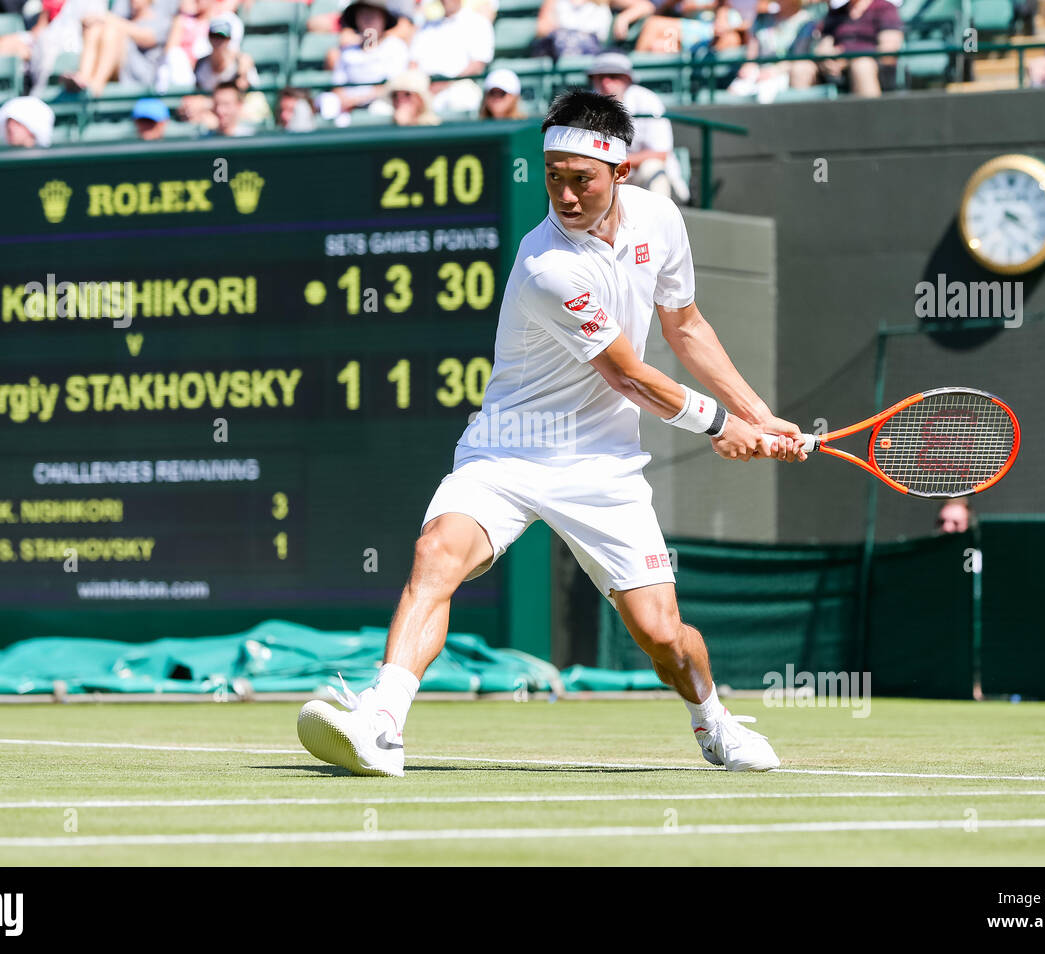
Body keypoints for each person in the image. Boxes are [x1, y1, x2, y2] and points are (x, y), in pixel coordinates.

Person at [296, 88, 806, 778]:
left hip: (603, 467)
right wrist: (721, 423)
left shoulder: (661, 220)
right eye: (554, 178)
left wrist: (758, 413)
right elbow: (628, 376)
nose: (564, 196)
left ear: (622, 173)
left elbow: (685, 328)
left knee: (663, 637)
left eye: (582, 180)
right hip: (507, 447)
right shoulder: (547, 265)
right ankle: (381, 724)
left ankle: (714, 722)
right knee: (436, 554)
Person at [587, 52, 690, 203]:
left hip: (640, 176)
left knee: (653, 168)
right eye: (600, 76)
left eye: (613, 76)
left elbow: (660, 153)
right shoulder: (586, 104)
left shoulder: (647, 100)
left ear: (627, 79)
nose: (606, 82)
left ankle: (659, 223)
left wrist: (617, 162)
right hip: (608, 176)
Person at [315, 0, 410, 120]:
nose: (368, 20)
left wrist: (355, 101)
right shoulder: (347, 52)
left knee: (380, 109)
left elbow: (391, 85)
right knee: (326, 103)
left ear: (383, 19)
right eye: (363, 15)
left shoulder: (395, 47)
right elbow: (338, 86)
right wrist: (344, 101)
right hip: (346, 106)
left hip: (380, 102)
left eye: (373, 16)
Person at [791, 0, 903, 97]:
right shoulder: (836, 11)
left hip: (872, 68)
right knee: (800, 68)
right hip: (835, 69)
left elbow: (889, 53)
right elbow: (824, 42)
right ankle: (801, 119)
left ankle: (872, 118)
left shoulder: (884, 8)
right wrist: (826, 58)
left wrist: (848, 59)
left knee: (861, 66)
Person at [408, 0, 495, 114]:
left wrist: (443, 84)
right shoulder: (426, 27)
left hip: (459, 86)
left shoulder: (478, 23)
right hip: (424, 89)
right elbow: (413, 64)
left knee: (461, 98)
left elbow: (477, 66)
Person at [727, 0, 818, 101]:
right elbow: (752, 52)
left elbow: (799, 56)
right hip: (758, 72)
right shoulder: (762, 19)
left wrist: (773, 71)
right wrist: (748, 66)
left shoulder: (806, 21)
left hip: (782, 73)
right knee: (734, 93)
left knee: (765, 93)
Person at [530, 0, 614, 59]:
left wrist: (625, 17)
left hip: (593, 50)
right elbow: (542, 29)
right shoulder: (555, 2)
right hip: (561, 47)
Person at [634, 0, 720, 53]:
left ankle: (633, 73)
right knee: (657, 45)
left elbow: (722, 8)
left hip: (710, 31)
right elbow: (661, 10)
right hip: (688, 29)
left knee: (653, 24)